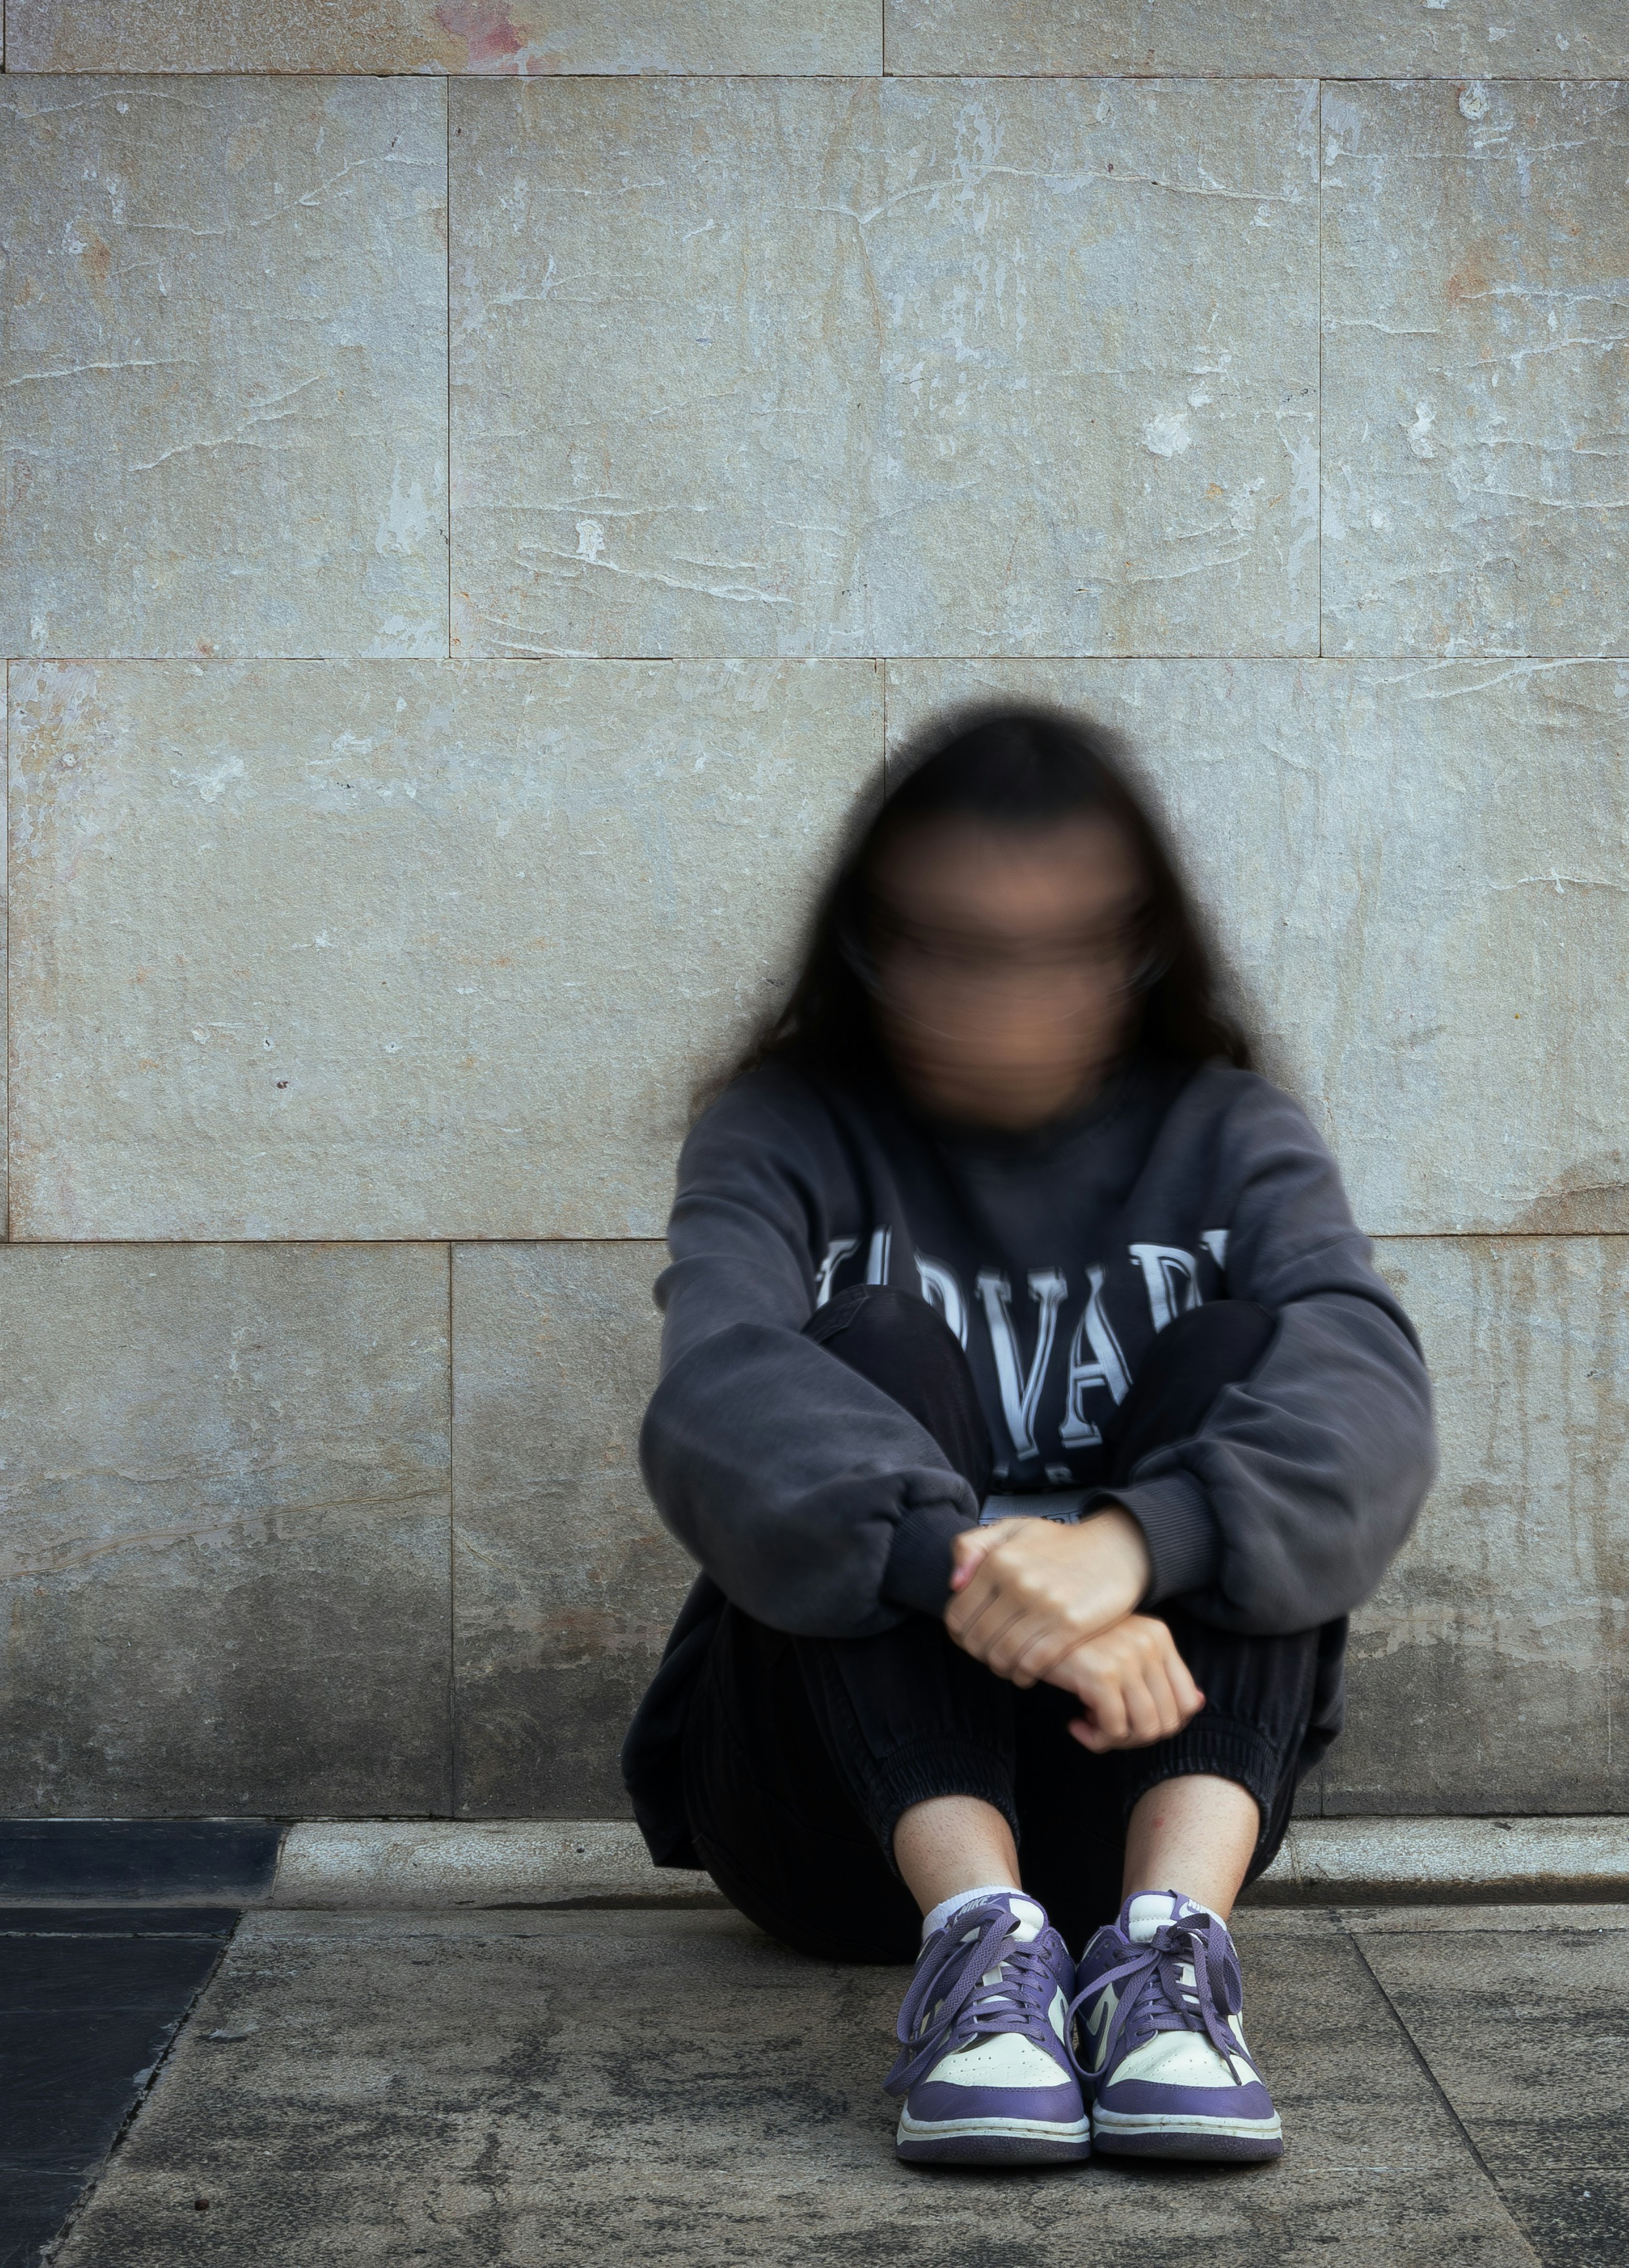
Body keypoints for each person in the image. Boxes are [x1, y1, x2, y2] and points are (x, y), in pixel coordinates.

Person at [620, 701, 1436, 2169]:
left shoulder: (1227, 1130)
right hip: (835, 1827)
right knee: (864, 1342)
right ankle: (977, 1944)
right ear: (874, 947)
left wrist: (1131, 1547)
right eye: (959, 947)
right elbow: (716, 1393)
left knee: (1254, 1358)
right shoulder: (787, 1126)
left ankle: (1166, 1960)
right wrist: (974, 1572)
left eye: (1063, 948)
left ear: (1140, 953)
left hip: (1139, 1799)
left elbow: (1365, 1397)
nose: (1010, 1002)